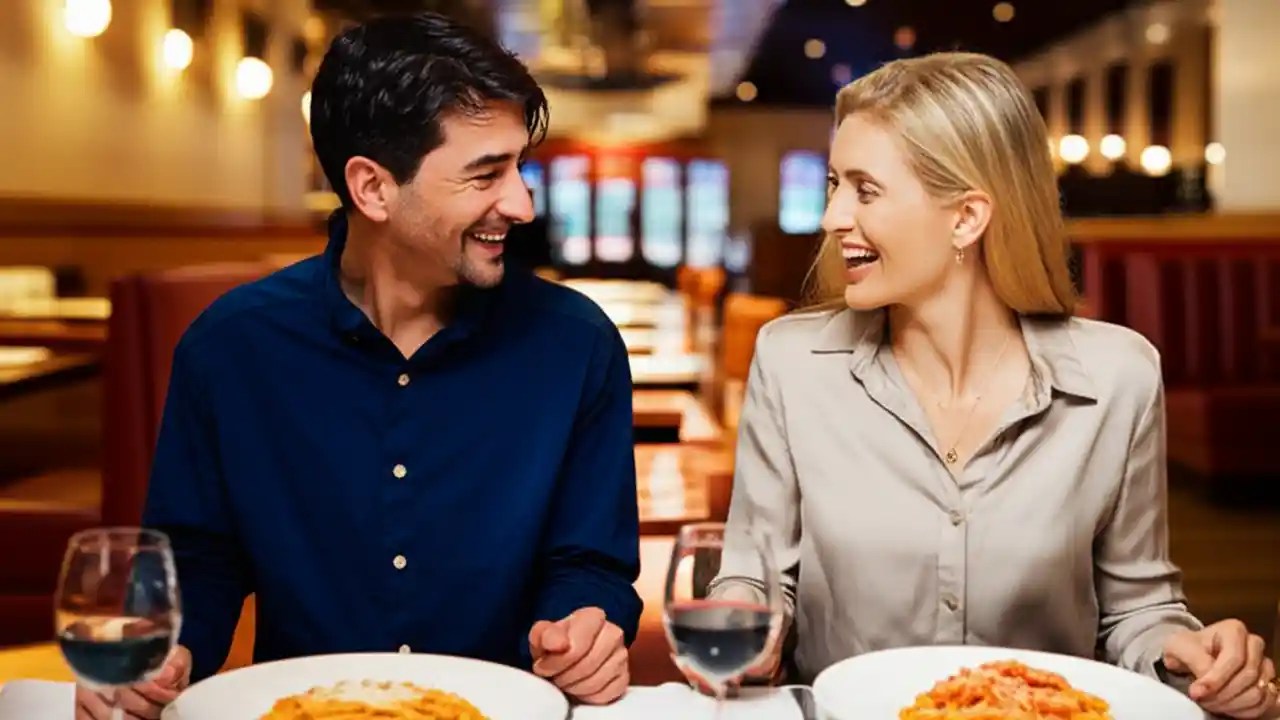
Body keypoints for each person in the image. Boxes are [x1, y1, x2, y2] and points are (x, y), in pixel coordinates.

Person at [76, 13, 641, 720]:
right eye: (485, 175)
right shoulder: (231, 348)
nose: (522, 204)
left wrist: (586, 625)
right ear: (372, 188)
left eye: (519, 167)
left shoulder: (577, 345)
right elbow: (197, 558)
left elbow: (590, 564)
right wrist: (160, 651)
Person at [706, 53, 1278, 719]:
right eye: (835, 185)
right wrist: (744, 622)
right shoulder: (791, 361)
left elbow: (1137, 609)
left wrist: (1187, 653)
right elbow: (752, 577)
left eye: (865, 190)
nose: (832, 217)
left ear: (966, 218)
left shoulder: (1119, 376)